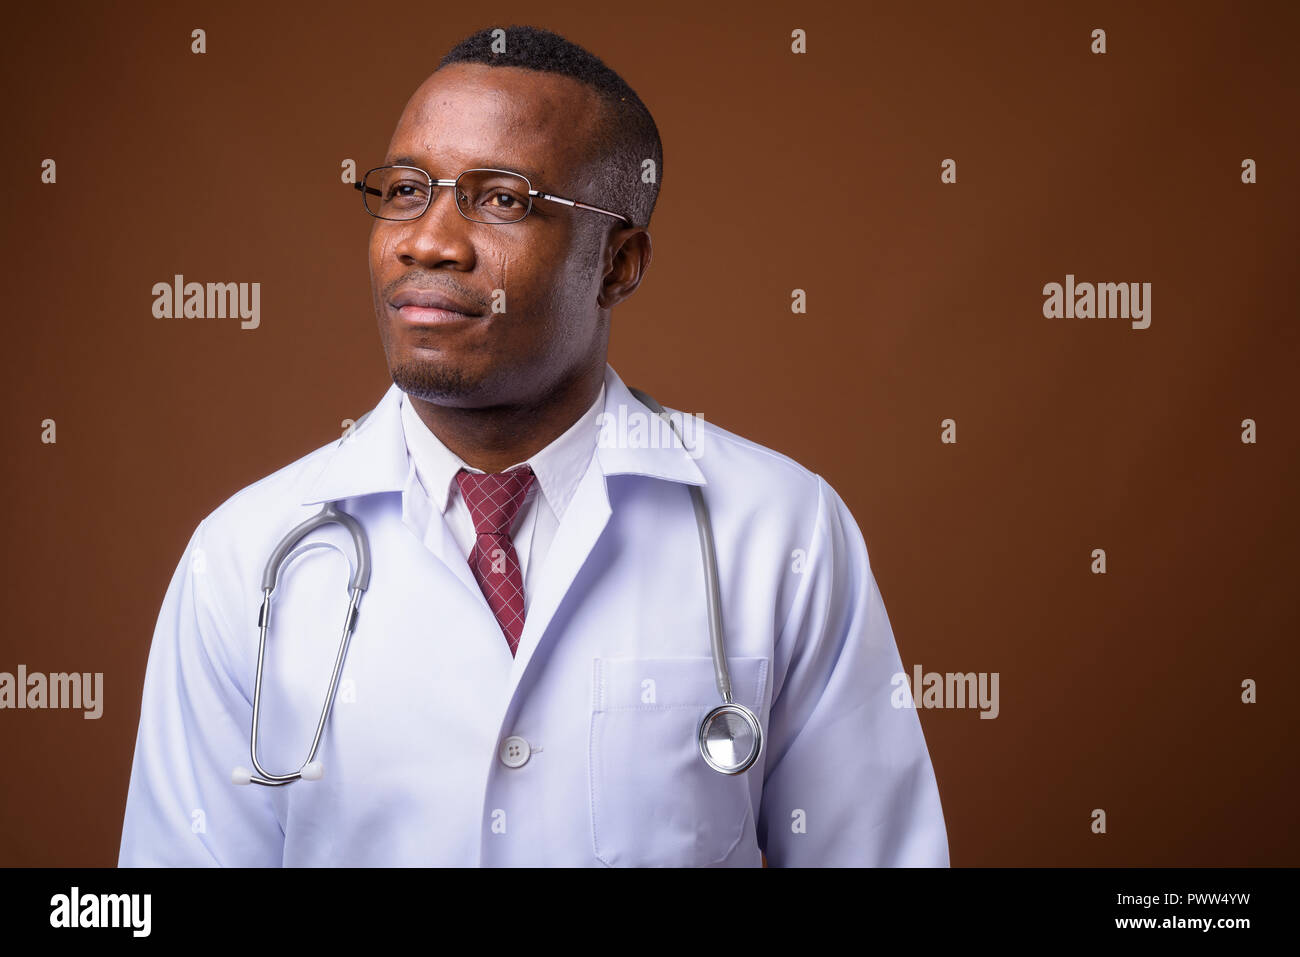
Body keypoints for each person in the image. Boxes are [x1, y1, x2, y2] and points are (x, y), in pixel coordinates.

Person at [118, 24, 949, 867]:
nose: (428, 239)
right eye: (407, 189)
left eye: (503, 198)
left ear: (618, 264)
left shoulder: (782, 531)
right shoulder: (244, 556)